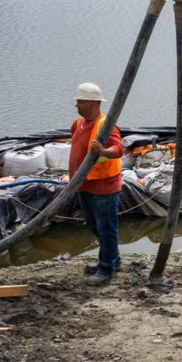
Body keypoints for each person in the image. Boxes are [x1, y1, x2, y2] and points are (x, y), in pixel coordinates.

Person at [69, 82, 125, 285]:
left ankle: (106, 268)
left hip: (103, 186)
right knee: (94, 225)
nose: (77, 106)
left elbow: (119, 148)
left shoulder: (105, 125)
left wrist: (103, 151)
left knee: (106, 227)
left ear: (92, 104)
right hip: (84, 184)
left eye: (80, 102)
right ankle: (113, 259)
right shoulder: (78, 123)